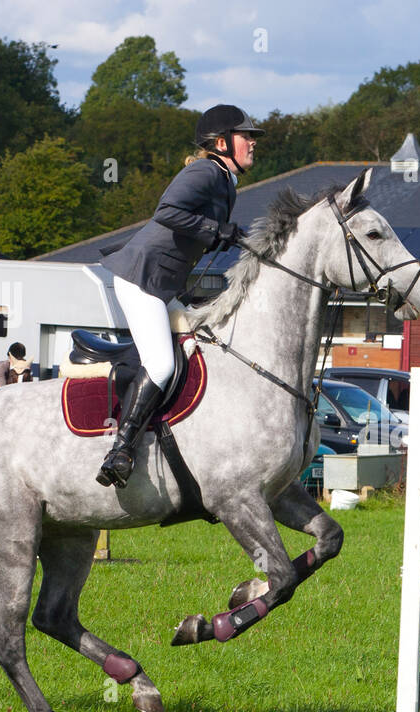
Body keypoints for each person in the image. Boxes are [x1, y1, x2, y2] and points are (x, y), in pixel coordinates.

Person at [95, 104, 262, 488]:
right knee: (162, 365)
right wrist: (213, 229)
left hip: (162, 285)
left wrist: (224, 233)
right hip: (142, 280)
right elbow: (167, 212)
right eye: (246, 136)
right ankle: (120, 450)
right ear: (221, 143)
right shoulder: (205, 171)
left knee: (199, 347)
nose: (253, 142)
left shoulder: (225, 182)